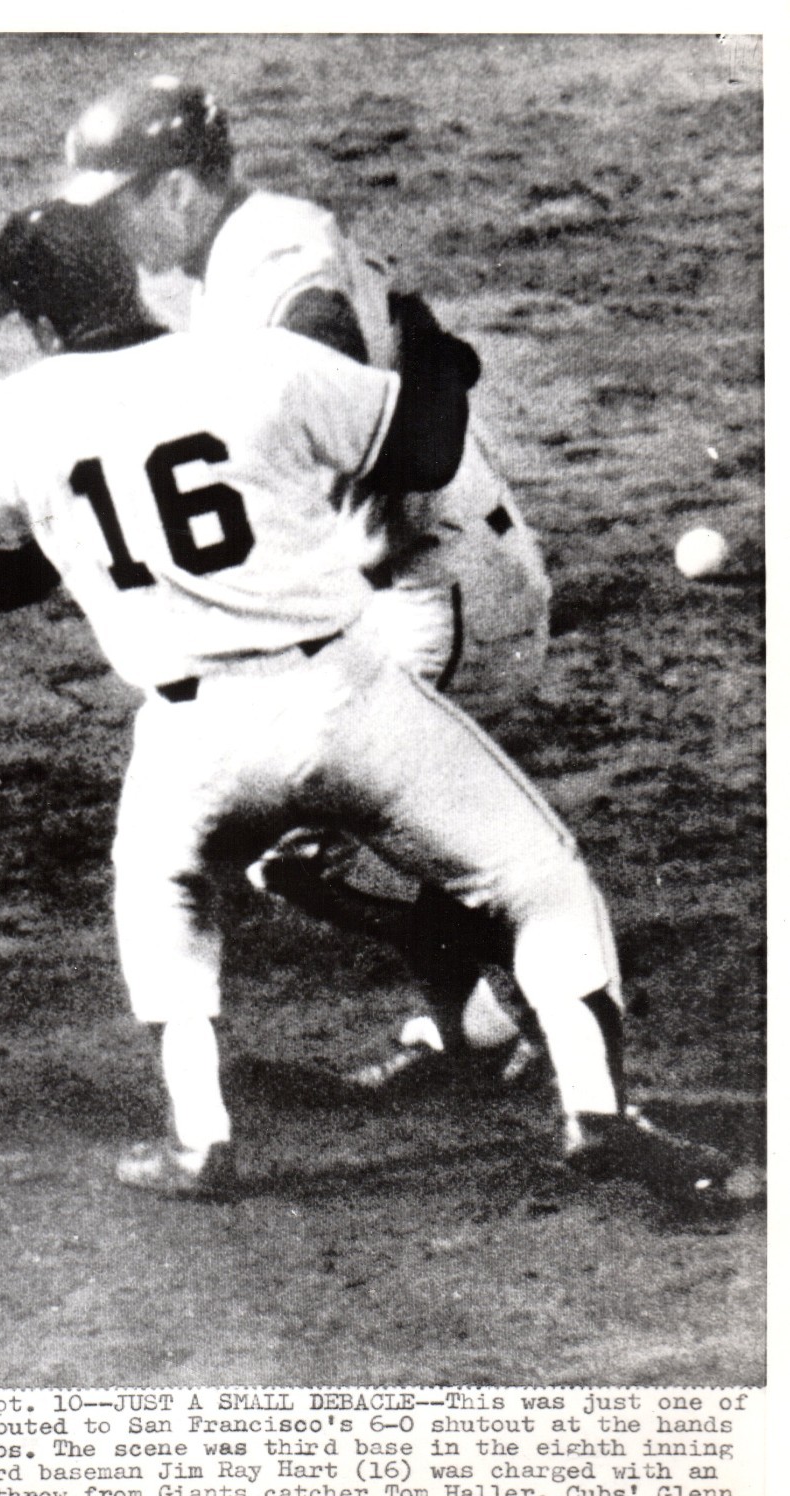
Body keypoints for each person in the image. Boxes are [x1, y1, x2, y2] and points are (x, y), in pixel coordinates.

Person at [0, 198, 734, 1215]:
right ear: (132, 278)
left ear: (34, 319)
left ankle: (199, 1135)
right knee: (543, 883)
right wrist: (434, 345)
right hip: (343, 701)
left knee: (162, 891)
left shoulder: (6, 420)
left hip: (188, 737)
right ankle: (597, 1108)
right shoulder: (260, 365)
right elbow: (429, 447)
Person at [58, 74, 551, 1088]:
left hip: (439, 588)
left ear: (183, 188)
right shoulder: (217, 263)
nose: (113, 232)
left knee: (307, 846)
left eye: (122, 205)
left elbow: (321, 366)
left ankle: (541, 988)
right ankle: (475, 1030)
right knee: (327, 834)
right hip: (390, 586)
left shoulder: (278, 251)